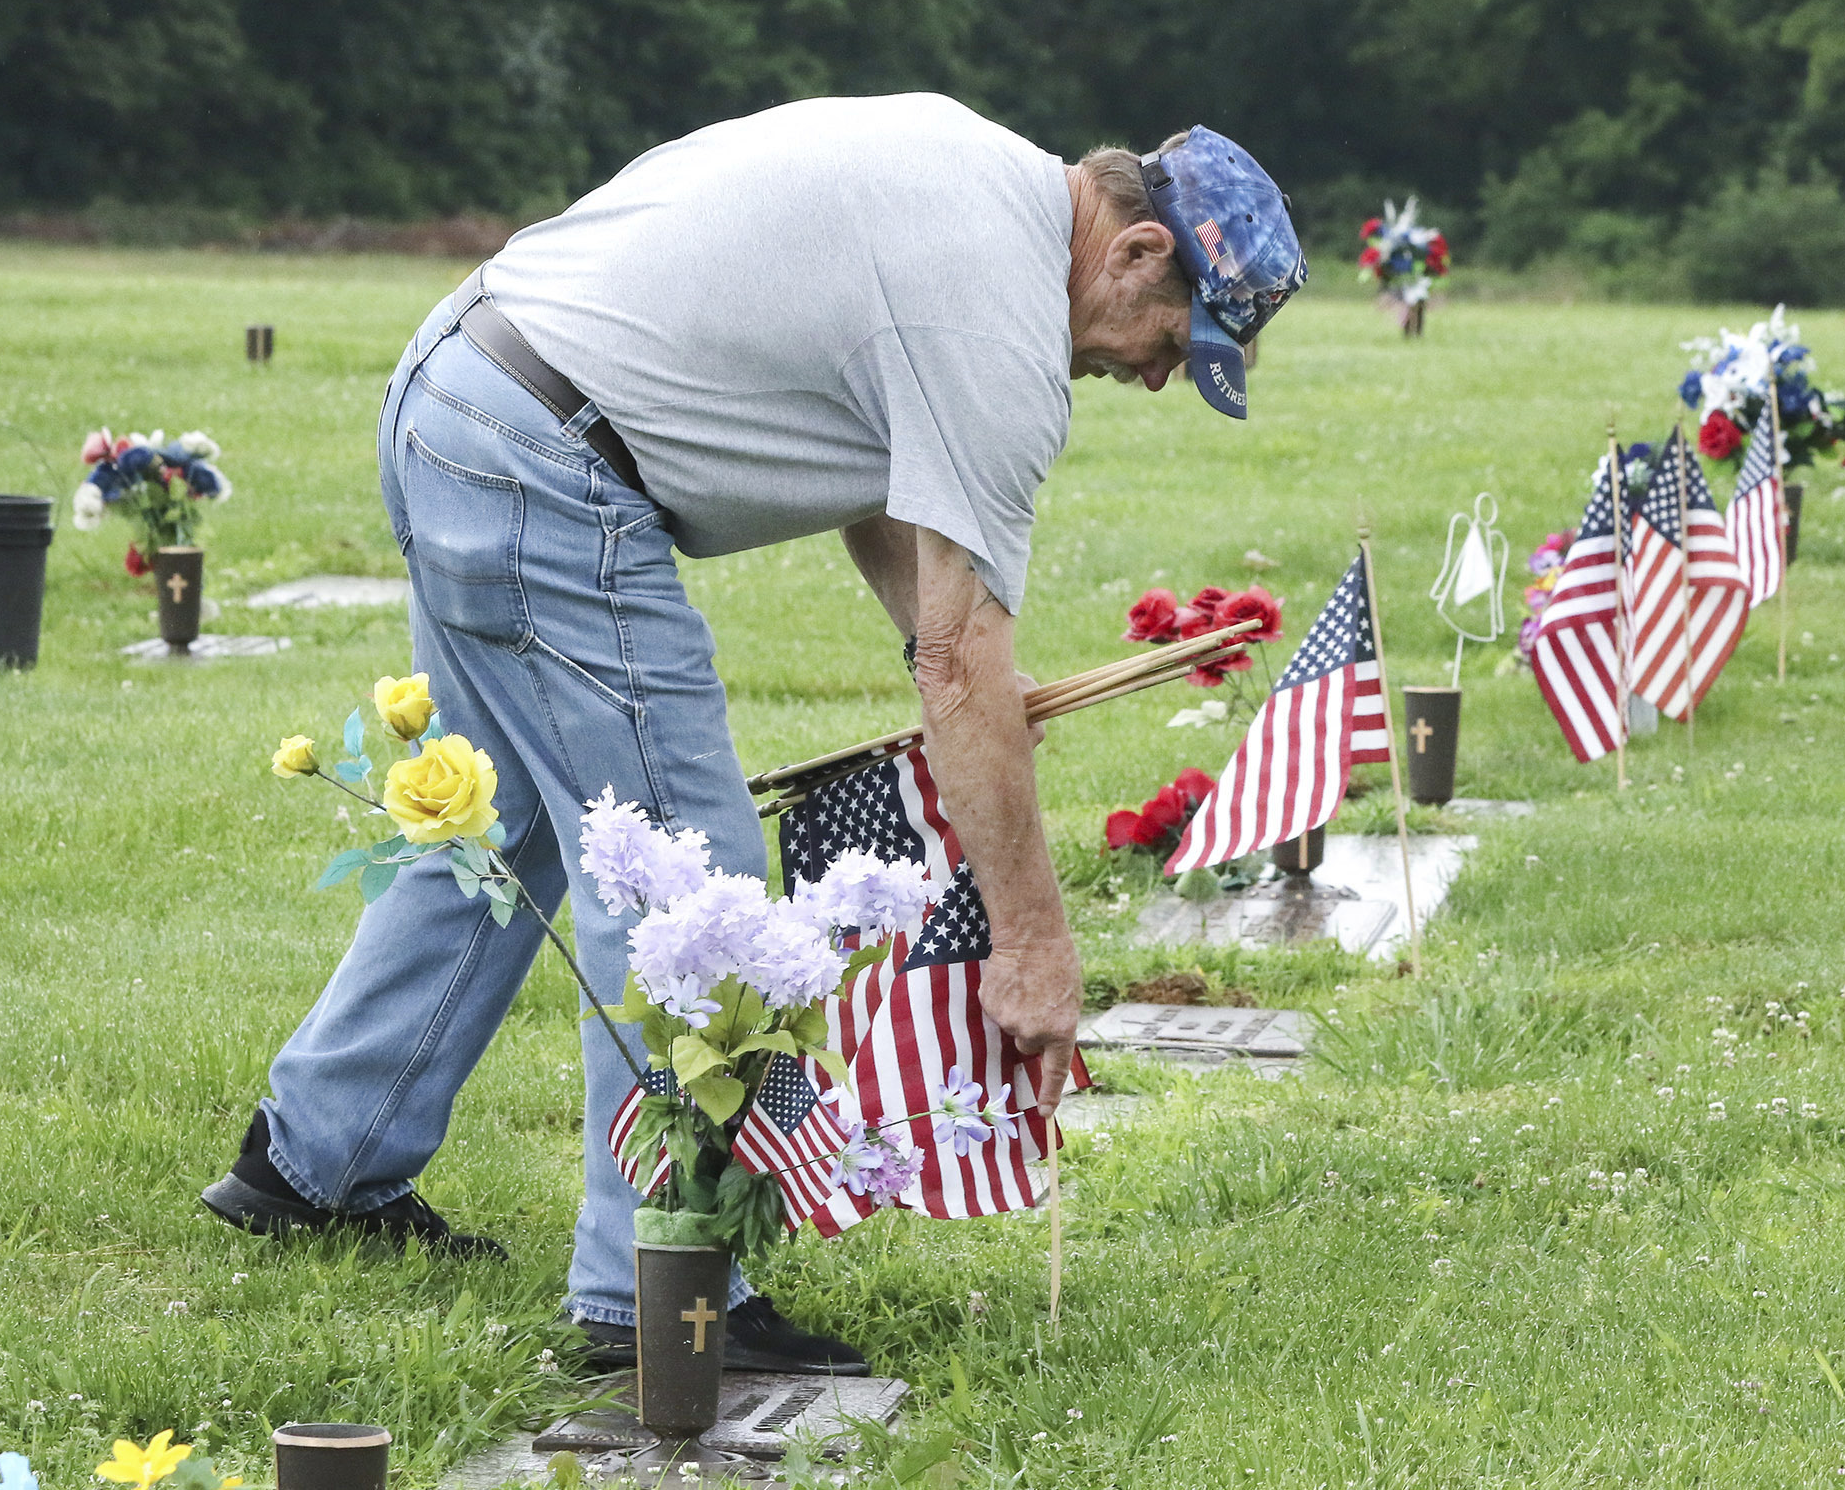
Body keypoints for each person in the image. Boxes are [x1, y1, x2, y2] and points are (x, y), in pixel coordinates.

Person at [199, 93, 1306, 1375]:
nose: (1161, 373)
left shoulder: (979, 185)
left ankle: (313, 1162)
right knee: (692, 873)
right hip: (551, 455)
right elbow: (959, 657)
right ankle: (658, 1293)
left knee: (505, 834)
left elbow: (887, 505)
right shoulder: (997, 314)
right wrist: (1036, 943)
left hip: (459, 391)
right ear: (1139, 251)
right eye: (1180, 340)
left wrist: (967, 690)